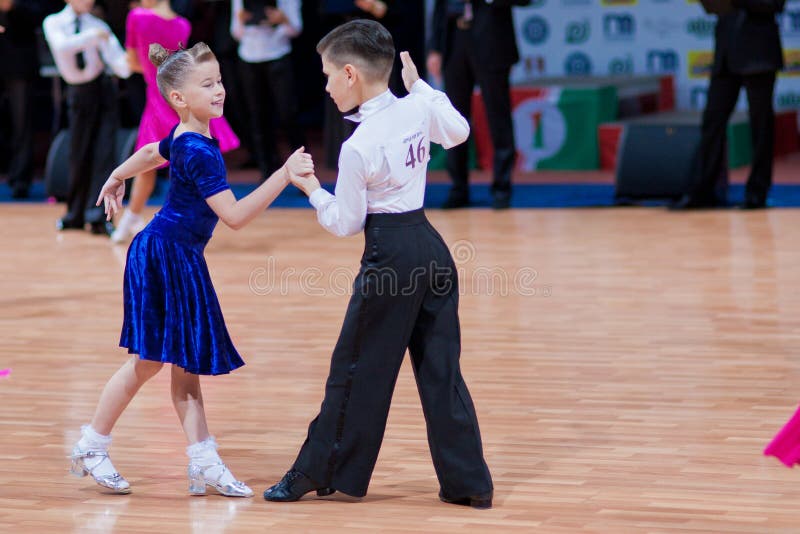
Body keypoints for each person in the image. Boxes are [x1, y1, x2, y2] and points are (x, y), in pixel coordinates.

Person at [263, 20, 494, 509]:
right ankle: (470, 482)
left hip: (391, 256)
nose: (326, 86)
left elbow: (346, 223)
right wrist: (420, 86)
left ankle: (314, 471)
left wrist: (312, 190)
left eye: (328, 75)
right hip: (432, 249)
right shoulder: (416, 107)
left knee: (353, 368)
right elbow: (459, 132)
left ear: (350, 73)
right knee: (441, 371)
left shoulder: (358, 145)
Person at [69, 41, 312, 496]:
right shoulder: (199, 150)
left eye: (219, 81)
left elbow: (150, 153)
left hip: (177, 256)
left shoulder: (186, 137)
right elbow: (234, 217)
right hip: (163, 256)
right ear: (179, 98)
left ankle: (204, 460)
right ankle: (91, 444)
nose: (219, 90)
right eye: (207, 84)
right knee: (148, 362)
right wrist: (284, 174)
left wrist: (118, 175)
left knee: (186, 365)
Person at [110, 0, 240, 244]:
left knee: (149, 161)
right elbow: (183, 67)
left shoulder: (137, 16)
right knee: (184, 160)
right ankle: (147, 220)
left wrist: (154, 73)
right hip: (182, 98)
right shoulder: (182, 24)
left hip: (159, 98)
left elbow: (132, 61)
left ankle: (131, 219)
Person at [672, 0, 785, 210]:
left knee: (761, 125)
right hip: (725, 54)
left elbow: (775, 4)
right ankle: (703, 190)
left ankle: (757, 192)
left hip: (759, 53)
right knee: (712, 121)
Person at [428, 0, 530, 210]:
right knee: (453, 117)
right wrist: (435, 48)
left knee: (498, 116)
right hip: (454, 40)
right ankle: (458, 188)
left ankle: (502, 188)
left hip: (492, 40)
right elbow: (439, 6)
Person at [43, 0, 131, 235]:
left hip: (103, 91)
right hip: (78, 93)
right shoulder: (54, 22)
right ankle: (75, 214)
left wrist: (133, 59)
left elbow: (120, 65)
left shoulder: (98, 25)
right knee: (78, 153)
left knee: (104, 154)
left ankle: (100, 217)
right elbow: (63, 47)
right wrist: (94, 36)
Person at [230, 0, 305, 181]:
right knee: (258, 117)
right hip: (248, 58)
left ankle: (303, 171)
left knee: (288, 114)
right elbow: (236, 33)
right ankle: (267, 171)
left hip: (278, 54)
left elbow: (296, 29)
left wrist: (282, 20)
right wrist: (242, 19)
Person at [0, 0, 46, 199]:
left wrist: (11, 8)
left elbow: (40, 14)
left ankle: (20, 179)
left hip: (19, 62)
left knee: (22, 124)